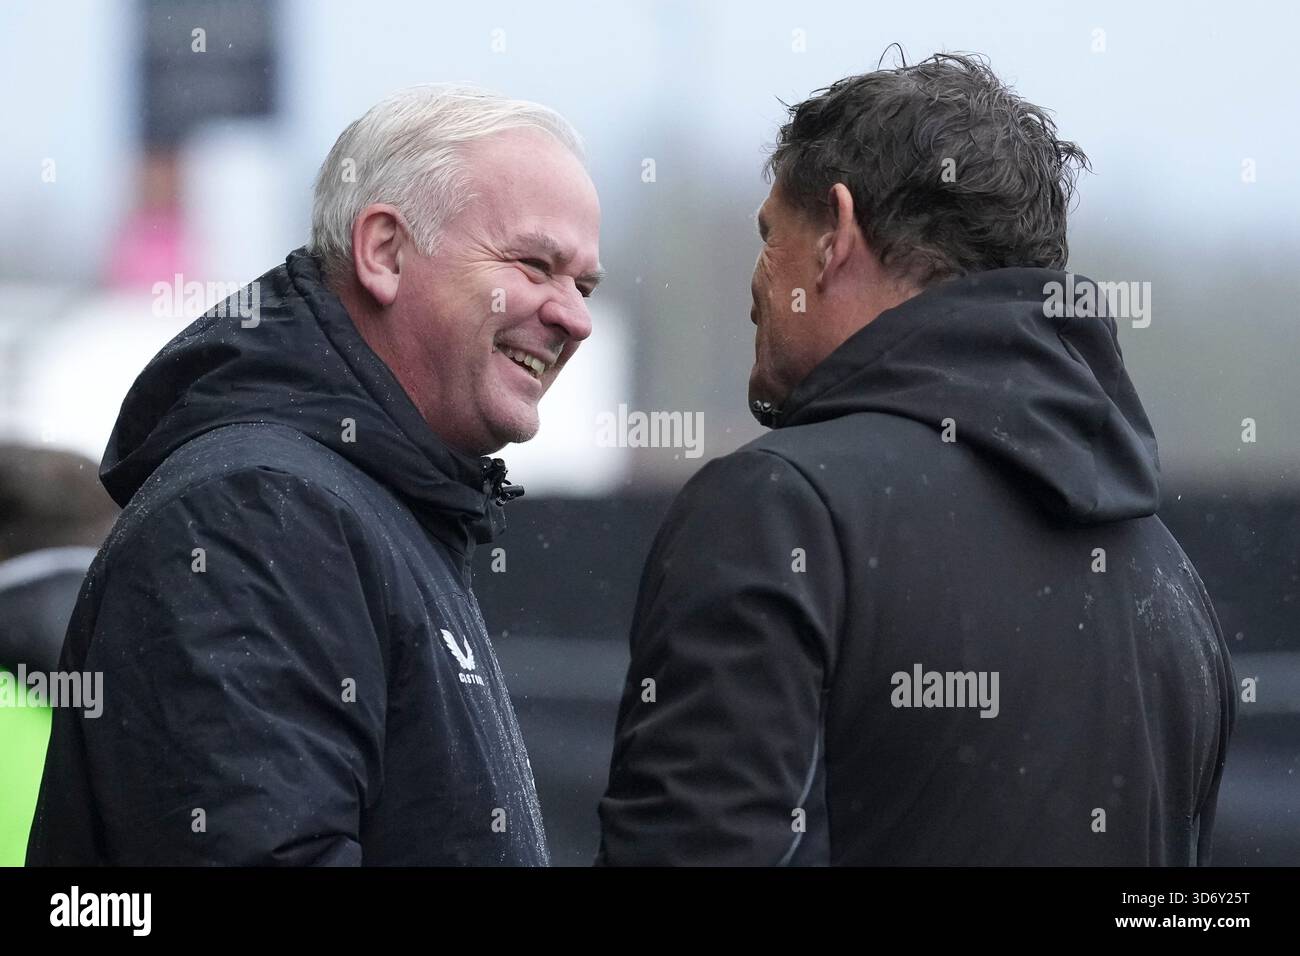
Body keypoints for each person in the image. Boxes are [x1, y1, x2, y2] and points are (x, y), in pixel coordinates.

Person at [597, 53, 1235, 865]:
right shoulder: (1169, 580)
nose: (755, 285)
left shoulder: (780, 508)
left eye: (769, 238)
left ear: (837, 234)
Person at [27, 84, 602, 865]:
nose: (575, 317)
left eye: (584, 285)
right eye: (536, 264)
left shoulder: (377, 506)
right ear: (384, 253)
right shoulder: (257, 514)